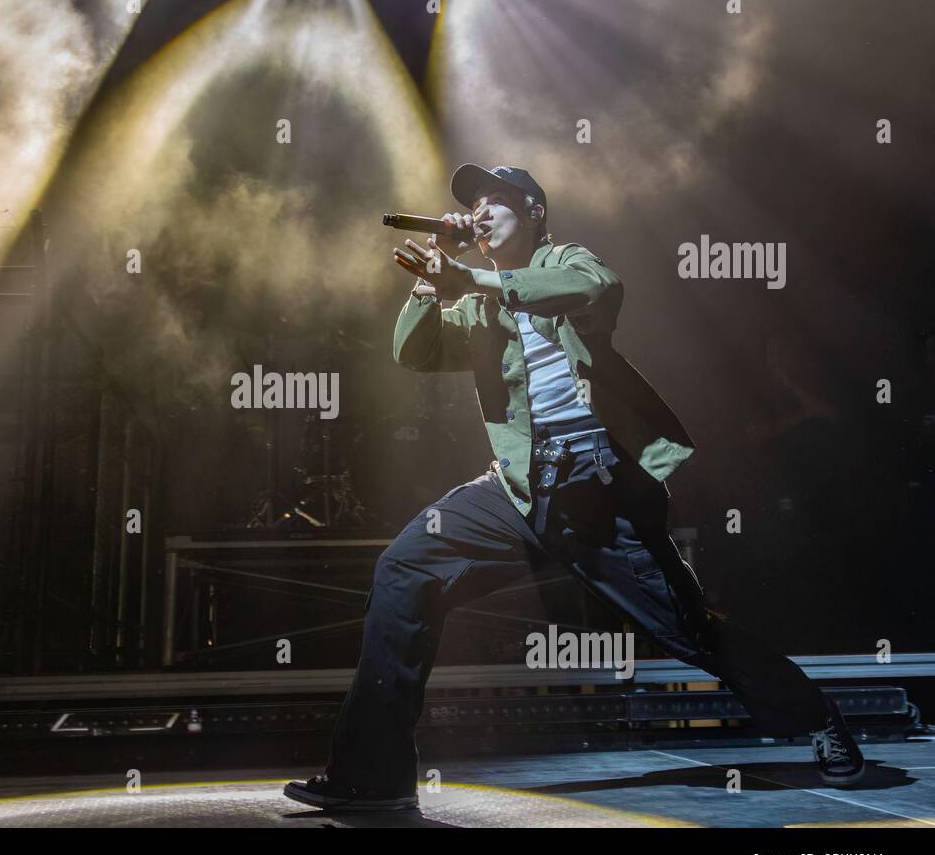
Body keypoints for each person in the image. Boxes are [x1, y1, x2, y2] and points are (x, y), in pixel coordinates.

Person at [284, 164, 865, 811]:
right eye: (471, 207)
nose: (479, 213)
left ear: (534, 212)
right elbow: (414, 354)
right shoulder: (475, 302)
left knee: (688, 631)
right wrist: (431, 284)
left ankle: (817, 718)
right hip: (518, 487)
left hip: (596, 487)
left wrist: (474, 277)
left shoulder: (567, 262)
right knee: (404, 569)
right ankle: (373, 776)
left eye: (495, 202)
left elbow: (594, 289)